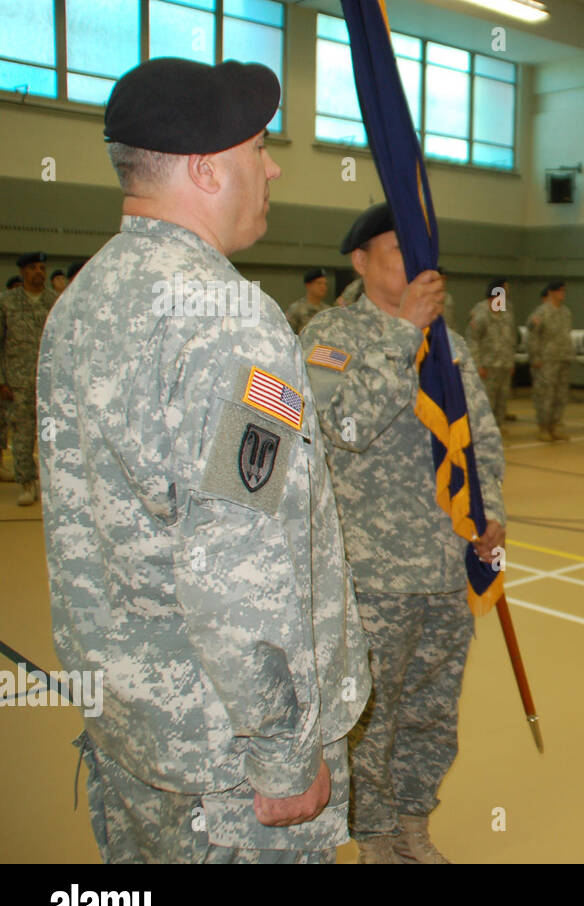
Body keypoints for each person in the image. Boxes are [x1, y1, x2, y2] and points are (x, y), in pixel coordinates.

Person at [37, 57, 370, 863]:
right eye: (259, 147)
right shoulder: (234, 327)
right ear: (206, 168)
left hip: (137, 735)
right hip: (231, 774)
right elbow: (238, 562)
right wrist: (284, 752)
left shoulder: (82, 304)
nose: (273, 166)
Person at [300, 202, 505, 864]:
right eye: (397, 251)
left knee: (431, 715)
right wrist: (402, 335)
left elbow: (482, 441)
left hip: (445, 569)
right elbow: (346, 428)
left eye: (420, 252)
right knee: (369, 722)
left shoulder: (450, 345)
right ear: (359, 262)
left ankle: (415, 824)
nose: (417, 265)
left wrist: (492, 511)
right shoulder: (328, 336)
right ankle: (376, 839)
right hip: (372, 577)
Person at [0, 251, 59, 505]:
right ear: (23, 272)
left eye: (42, 268)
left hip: (49, 382)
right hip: (18, 382)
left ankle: (51, 482)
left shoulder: (54, 301)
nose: (39, 272)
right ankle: (27, 483)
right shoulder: (7, 302)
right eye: (34, 268)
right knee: (23, 435)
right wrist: (1, 379)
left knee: (50, 435)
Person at [466, 277, 517, 430]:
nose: (507, 293)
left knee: (502, 401)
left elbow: (511, 337)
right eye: (504, 289)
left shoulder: (507, 310)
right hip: (487, 366)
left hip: (503, 364)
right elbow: (472, 340)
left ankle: (498, 428)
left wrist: (511, 361)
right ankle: (484, 432)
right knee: (486, 401)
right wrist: (477, 364)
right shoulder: (480, 311)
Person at [527, 280, 574, 441]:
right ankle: (543, 428)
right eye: (560, 291)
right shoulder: (541, 313)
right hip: (546, 361)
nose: (563, 293)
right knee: (545, 395)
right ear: (552, 292)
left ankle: (554, 426)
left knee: (560, 396)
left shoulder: (566, 312)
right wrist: (535, 357)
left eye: (564, 291)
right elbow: (533, 337)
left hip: (563, 359)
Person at [284, 267, 331, 334]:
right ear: (308, 285)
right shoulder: (297, 309)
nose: (323, 287)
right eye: (319, 283)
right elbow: (288, 332)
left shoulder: (327, 310)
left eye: (325, 284)